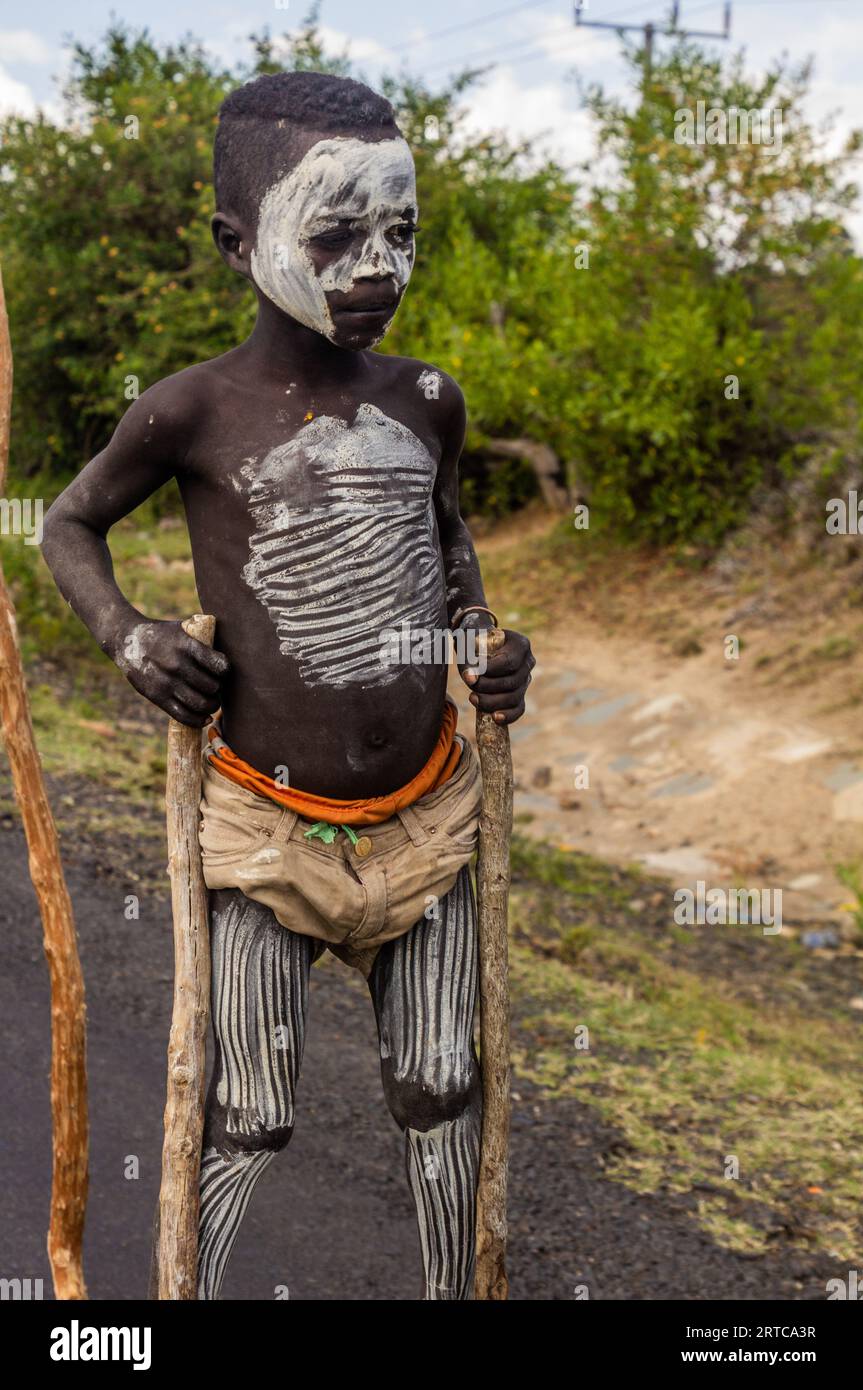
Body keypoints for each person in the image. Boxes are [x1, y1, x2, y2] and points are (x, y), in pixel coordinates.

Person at [41, 69, 535, 1300]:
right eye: (334, 235)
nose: (378, 268)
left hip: (427, 821)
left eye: (401, 232)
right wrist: (129, 637)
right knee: (247, 1109)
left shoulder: (425, 400)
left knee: (442, 1087)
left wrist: (479, 635)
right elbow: (68, 523)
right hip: (265, 831)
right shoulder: (191, 411)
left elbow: (444, 532)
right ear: (235, 242)